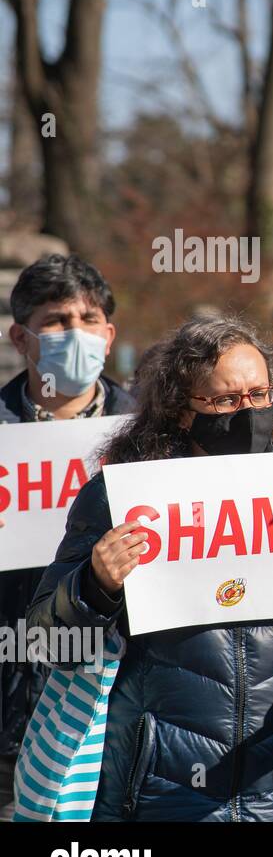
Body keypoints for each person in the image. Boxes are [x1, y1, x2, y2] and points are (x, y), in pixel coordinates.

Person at [25, 315, 273, 821]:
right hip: (157, 798)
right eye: (226, 400)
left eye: (261, 394)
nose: (249, 412)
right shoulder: (120, 499)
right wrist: (94, 585)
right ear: (181, 411)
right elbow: (44, 643)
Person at [0, 254, 136, 821]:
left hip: (119, 709)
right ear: (21, 337)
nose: (74, 333)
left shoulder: (151, 434)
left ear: (109, 336)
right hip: (11, 702)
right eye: (56, 321)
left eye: (88, 318)